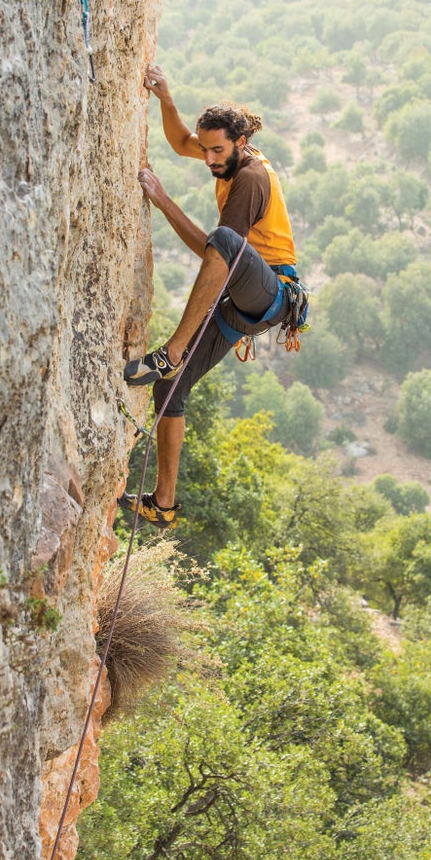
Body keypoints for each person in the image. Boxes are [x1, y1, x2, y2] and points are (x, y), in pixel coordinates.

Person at [119, 64, 306, 527]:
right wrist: (166, 100)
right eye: (207, 149)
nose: (207, 159)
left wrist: (163, 201)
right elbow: (183, 141)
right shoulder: (222, 156)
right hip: (246, 303)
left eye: (217, 150)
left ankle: (171, 351)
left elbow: (219, 251)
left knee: (223, 240)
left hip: (271, 292)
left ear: (240, 144)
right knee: (170, 388)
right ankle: (162, 505)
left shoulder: (250, 180)